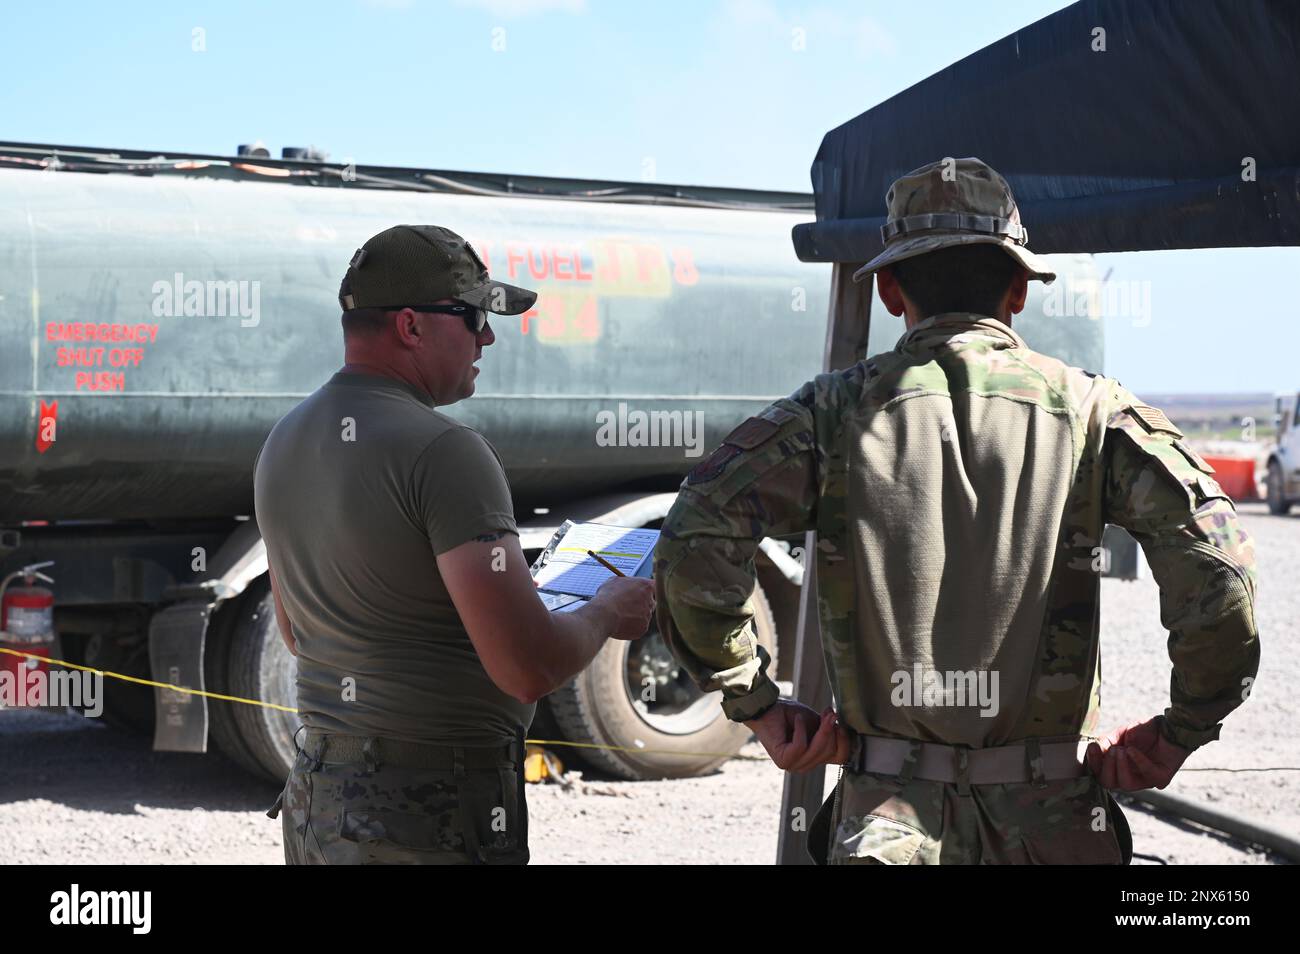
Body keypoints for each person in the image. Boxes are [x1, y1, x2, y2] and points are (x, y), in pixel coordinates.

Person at [653, 158, 1260, 864]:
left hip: (885, 825)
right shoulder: (1096, 417)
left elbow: (692, 538)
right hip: (1053, 824)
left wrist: (756, 704)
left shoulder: (830, 417)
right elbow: (1218, 574)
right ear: (1018, 289)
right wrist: (1182, 728)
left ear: (887, 289)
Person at [257, 225, 656, 864]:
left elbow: (300, 632)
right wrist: (605, 610)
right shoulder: (446, 451)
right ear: (411, 326)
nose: (488, 337)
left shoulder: (284, 440)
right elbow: (526, 669)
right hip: (427, 810)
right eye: (473, 317)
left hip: (321, 801)